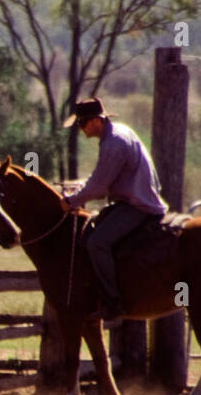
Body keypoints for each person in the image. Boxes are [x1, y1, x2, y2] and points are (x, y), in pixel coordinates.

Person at [61, 97, 167, 322]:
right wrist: (81, 190)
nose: (80, 130)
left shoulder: (113, 143)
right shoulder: (118, 132)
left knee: (96, 242)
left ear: (95, 121)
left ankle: (113, 302)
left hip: (137, 205)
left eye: (81, 124)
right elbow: (101, 178)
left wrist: (71, 202)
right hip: (135, 198)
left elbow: (99, 186)